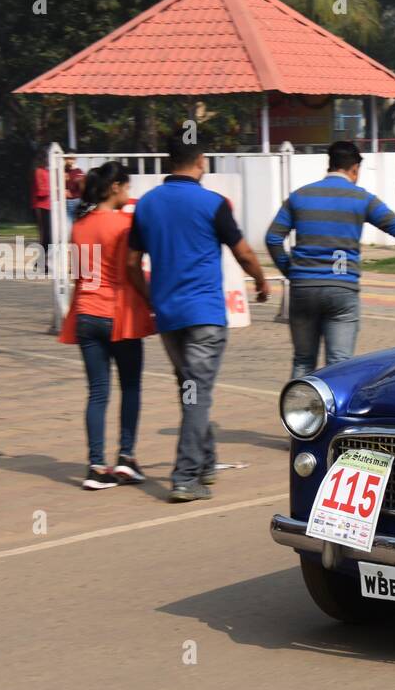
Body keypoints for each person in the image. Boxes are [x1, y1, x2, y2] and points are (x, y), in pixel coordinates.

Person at [129, 130, 270, 503]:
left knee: (191, 392)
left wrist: (151, 298)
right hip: (204, 315)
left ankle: (206, 462)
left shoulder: (146, 204)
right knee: (197, 395)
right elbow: (243, 253)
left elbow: (130, 264)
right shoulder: (212, 203)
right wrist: (261, 281)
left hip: (169, 316)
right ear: (200, 161)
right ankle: (185, 475)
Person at [267, 140, 395, 378]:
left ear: (330, 164)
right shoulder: (361, 198)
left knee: (303, 361)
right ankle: (333, 414)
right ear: (354, 168)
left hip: (303, 288)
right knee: (339, 364)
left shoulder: (299, 196)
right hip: (342, 288)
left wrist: (293, 272)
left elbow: (273, 239)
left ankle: (296, 413)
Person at [58, 162, 155, 491]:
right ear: (114, 187)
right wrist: (150, 298)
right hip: (118, 316)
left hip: (86, 314)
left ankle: (96, 466)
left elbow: (78, 275)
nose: (129, 194)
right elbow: (131, 269)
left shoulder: (80, 225)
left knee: (97, 393)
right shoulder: (124, 225)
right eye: (126, 188)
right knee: (130, 387)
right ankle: (126, 458)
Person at [30, 150, 52, 266]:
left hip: (48, 206)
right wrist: (53, 188)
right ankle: (41, 262)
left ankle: (42, 262)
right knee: (45, 236)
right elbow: (41, 191)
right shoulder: (39, 171)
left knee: (50, 237)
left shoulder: (47, 172)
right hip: (41, 206)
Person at [63, 157, 85, 224]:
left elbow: (83, 186)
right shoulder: (62, 171)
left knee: (79, 221)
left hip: (79, 199)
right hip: (69, 200)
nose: (70, 161)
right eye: (68, 158)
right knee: (69, 221)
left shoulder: (79, 171)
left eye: (72, 159)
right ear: (65, 160)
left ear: (75, 160)